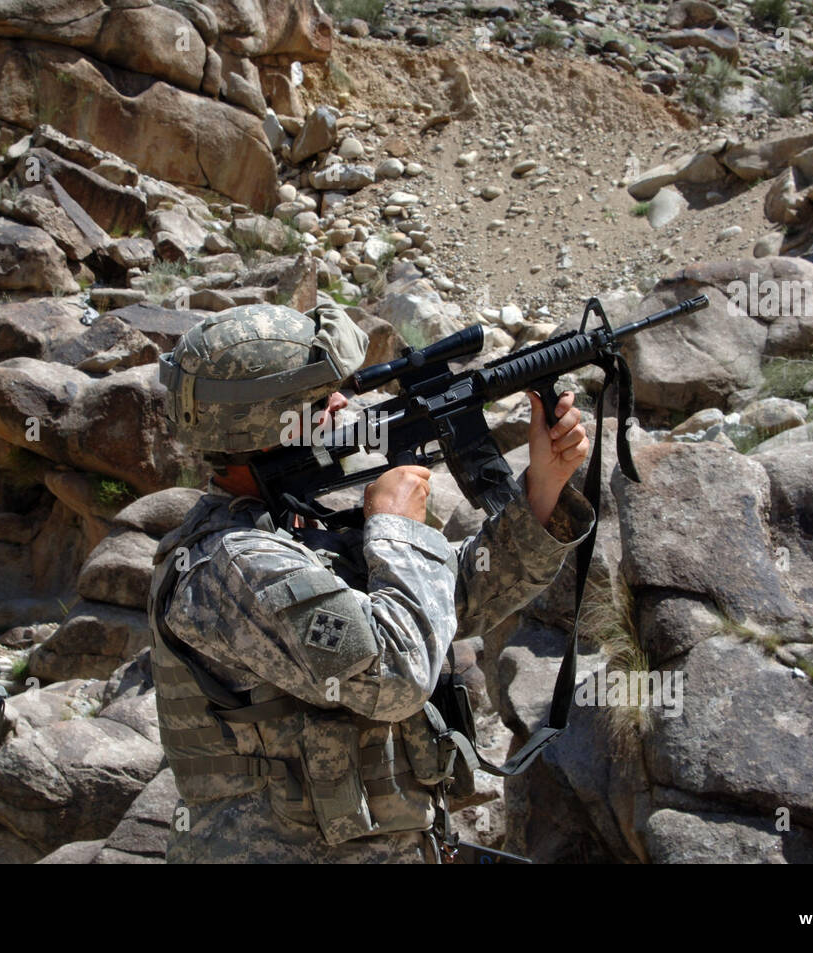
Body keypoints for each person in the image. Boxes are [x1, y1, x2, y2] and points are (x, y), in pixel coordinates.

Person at [148, 303, 595, 863]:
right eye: (320, 399)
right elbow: (396, 677)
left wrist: (542, 492)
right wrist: (398, 531)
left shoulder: (291, 529)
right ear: (262, 428)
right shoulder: (233, 565)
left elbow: (444, 606)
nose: (343, 405)